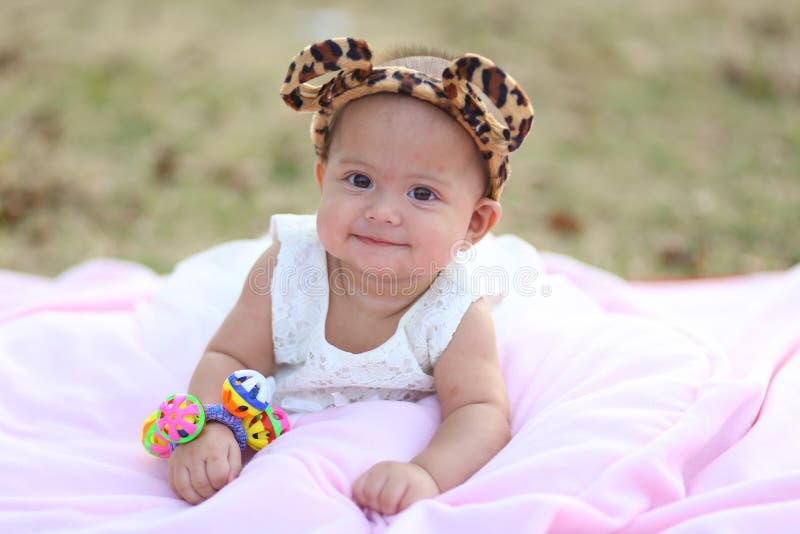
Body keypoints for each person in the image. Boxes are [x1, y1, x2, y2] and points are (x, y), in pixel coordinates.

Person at [167, 37, 534, 515]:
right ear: (324, 180)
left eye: (422, 193)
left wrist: (427, 473)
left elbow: (479, 412)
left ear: (475, 223)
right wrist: (212, 425)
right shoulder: (287, 269)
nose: (382, 212)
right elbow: (231, 355)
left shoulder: (455, 311)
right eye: (360, 181)